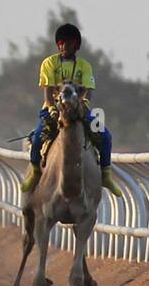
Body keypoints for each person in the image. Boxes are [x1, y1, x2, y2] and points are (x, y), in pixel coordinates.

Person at [19, 23, 120, 196]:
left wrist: (83, 106)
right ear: (58, 45)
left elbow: (88, 91)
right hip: (54, 108)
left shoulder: (84, 66)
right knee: (37, 139)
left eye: (69, 43)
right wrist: (51, 109)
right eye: (62, 44)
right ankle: (35, 173)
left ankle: (106, 175)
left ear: (76, 46)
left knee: (105, 136)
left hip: (79, 109)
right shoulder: (49, 63)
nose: (65, 47)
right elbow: (48, 91)